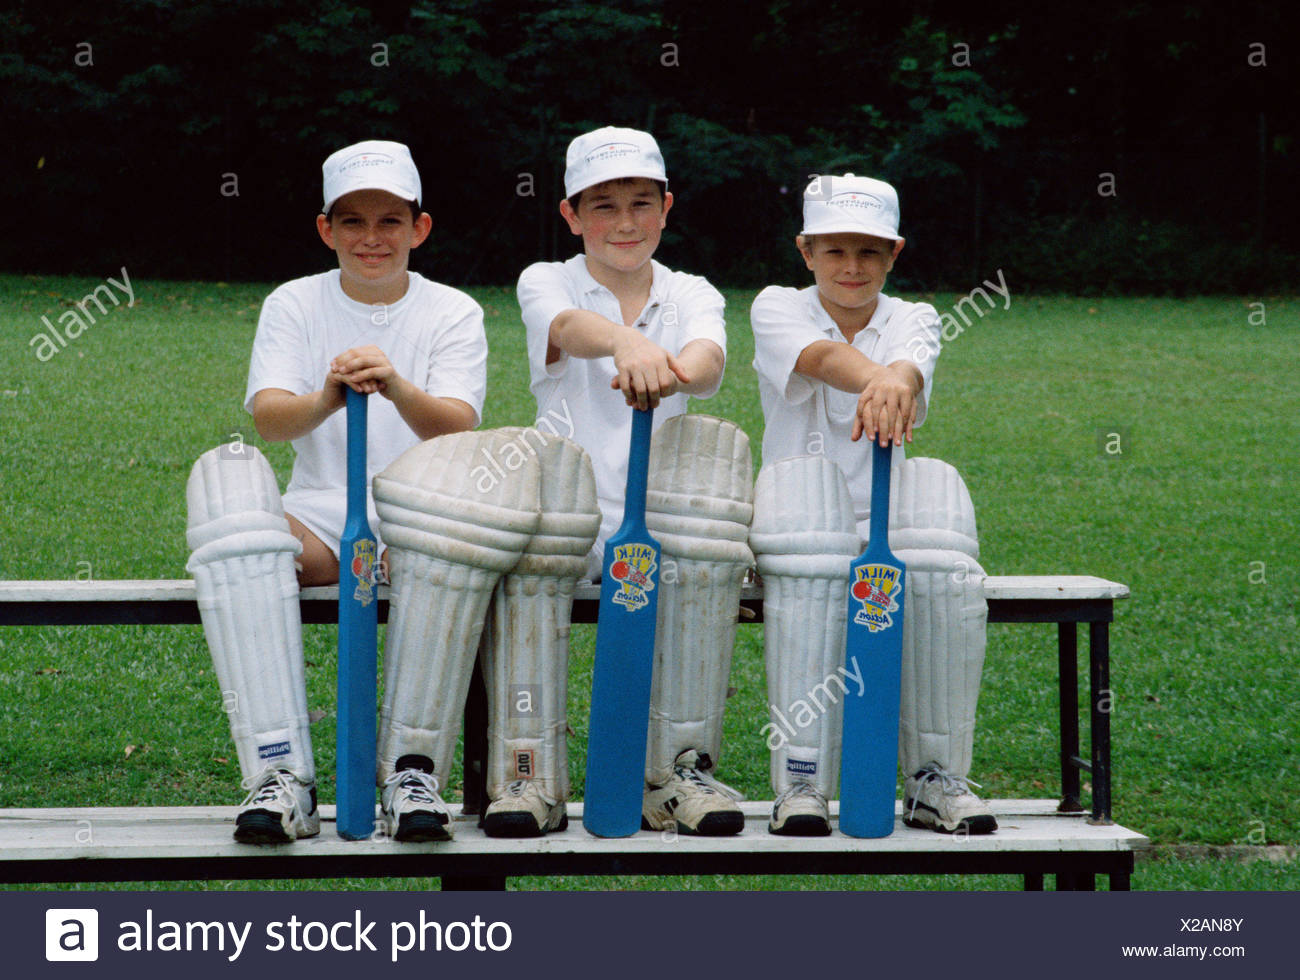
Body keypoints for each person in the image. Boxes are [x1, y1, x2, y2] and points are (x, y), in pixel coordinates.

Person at [185, 139, 487, 843]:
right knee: (241, 535)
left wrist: (396, 384)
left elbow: (455, 428)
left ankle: (412, 777)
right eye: (352, 221)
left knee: (446, 553)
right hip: (324, 512)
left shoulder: (454, 311)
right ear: (327, 229)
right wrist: (327, 394)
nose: (371, 237)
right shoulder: (294, 302)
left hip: (428, 512)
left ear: (421, 227)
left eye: (390, 220)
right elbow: (268, 417)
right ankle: (279, 771)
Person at [512, 127, 754, 836]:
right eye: (603, 205)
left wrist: (672, 362)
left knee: (704, 570)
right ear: (570, 214)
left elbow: (706, 364)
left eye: (641, 204)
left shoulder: (692, 291)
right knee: (528, 573)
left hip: (659, 515)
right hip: (566, 510)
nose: (623, 223)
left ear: (667, 207)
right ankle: (529, 775)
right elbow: (568, 326)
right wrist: (626, 340)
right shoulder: (546, 279)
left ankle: (676, 773)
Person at [749, 174, 997, 836]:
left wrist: (900, 378)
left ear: (895, 253)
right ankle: (801, 784)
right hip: (795, 519)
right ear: (806, 252)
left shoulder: (913, 317)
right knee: (812, 564)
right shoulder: (776, 305)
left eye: (869, 252)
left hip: (891, 520)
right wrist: (884, 378)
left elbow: (912, 368)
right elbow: (825, 358)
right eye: (834, 252)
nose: (852, 268)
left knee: (944, 571)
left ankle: (933, 778)